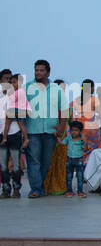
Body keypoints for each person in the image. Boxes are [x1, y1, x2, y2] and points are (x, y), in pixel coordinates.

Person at [24, 60, 67, 198]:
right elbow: (20, 109)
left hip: (50, 131)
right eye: (36, 70)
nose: (38, 73)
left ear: (48, 72)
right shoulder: (27, 88)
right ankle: (36, 189)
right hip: (32, 130)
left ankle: (41, 187)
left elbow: (65, 109)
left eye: (41, 70)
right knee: (33, 161)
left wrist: (61, 126)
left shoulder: (56, 89)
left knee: (46, 162)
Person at [0, 74, 28, 197]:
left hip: (15, 133)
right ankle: (6, 189)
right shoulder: (2, 97)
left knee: (16, 165)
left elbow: (26, 113)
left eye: (12, 82)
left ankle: (16, 188)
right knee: (3, 164)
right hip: (1, 133)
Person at [60, 120, 87, 198]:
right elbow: (62, 143)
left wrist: (85, 142)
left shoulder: (81, 140)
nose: (73, 132)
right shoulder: (69, 138)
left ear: (80, 131)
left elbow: (85, 149)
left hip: (79, 160)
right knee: (68, 176)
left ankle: (80, 191)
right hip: (69, 160)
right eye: (72, 130)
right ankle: (69, 191)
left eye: (76, 130)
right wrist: (57, 137)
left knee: (80, 177)